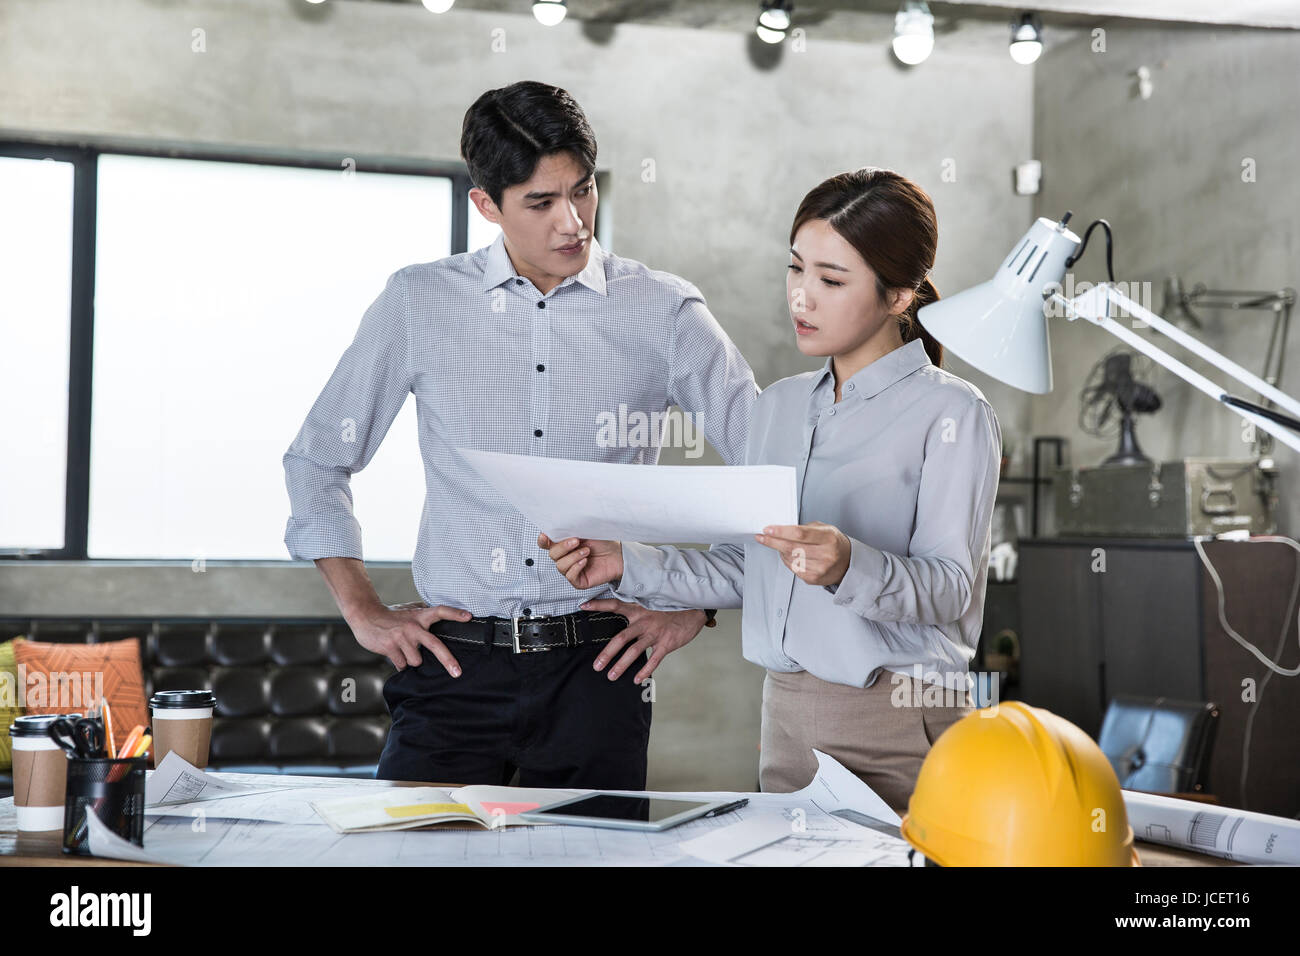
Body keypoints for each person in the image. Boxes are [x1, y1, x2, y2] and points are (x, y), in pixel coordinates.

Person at [282, 80, 759, 790]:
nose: (573, 222)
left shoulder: (665, 312)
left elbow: (774, 470)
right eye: (541, 202)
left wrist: (700, 605)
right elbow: (318, 459)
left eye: (584, 191)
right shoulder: (419, 303)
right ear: (486, 205)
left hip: (598, 672)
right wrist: (363, 609)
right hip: (451, 670)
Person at [541, 168, 1002, 812]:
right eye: (796, 269)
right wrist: (627, 561)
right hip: (784, 718)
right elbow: (751, 567)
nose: (800, 298)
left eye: (831, 280)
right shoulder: (777, 409)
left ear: (900, 296)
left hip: (897, 720)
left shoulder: (953, 413)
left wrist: (849, 563)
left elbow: (952, 588)